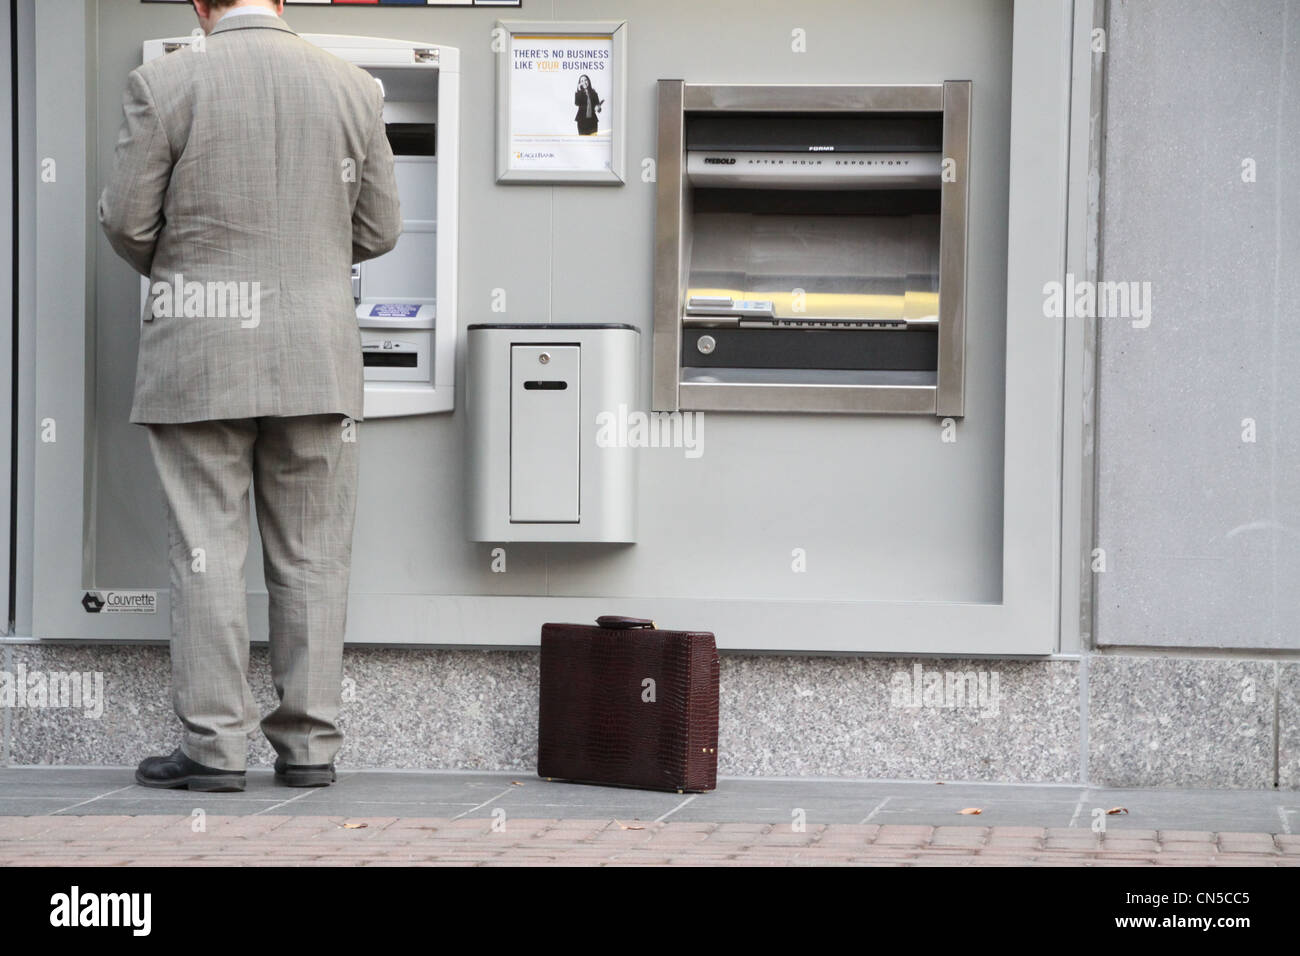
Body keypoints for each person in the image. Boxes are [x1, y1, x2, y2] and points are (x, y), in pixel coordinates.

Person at [98, 0, 401, 791]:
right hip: (317, 353)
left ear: (202, 6)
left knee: (207, 551)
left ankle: (213, 749)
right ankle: (309, 751)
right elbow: (381, 228)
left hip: (200, 353)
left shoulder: (164, 82)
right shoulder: (354, 87)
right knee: (314, 557)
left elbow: (128, 220)